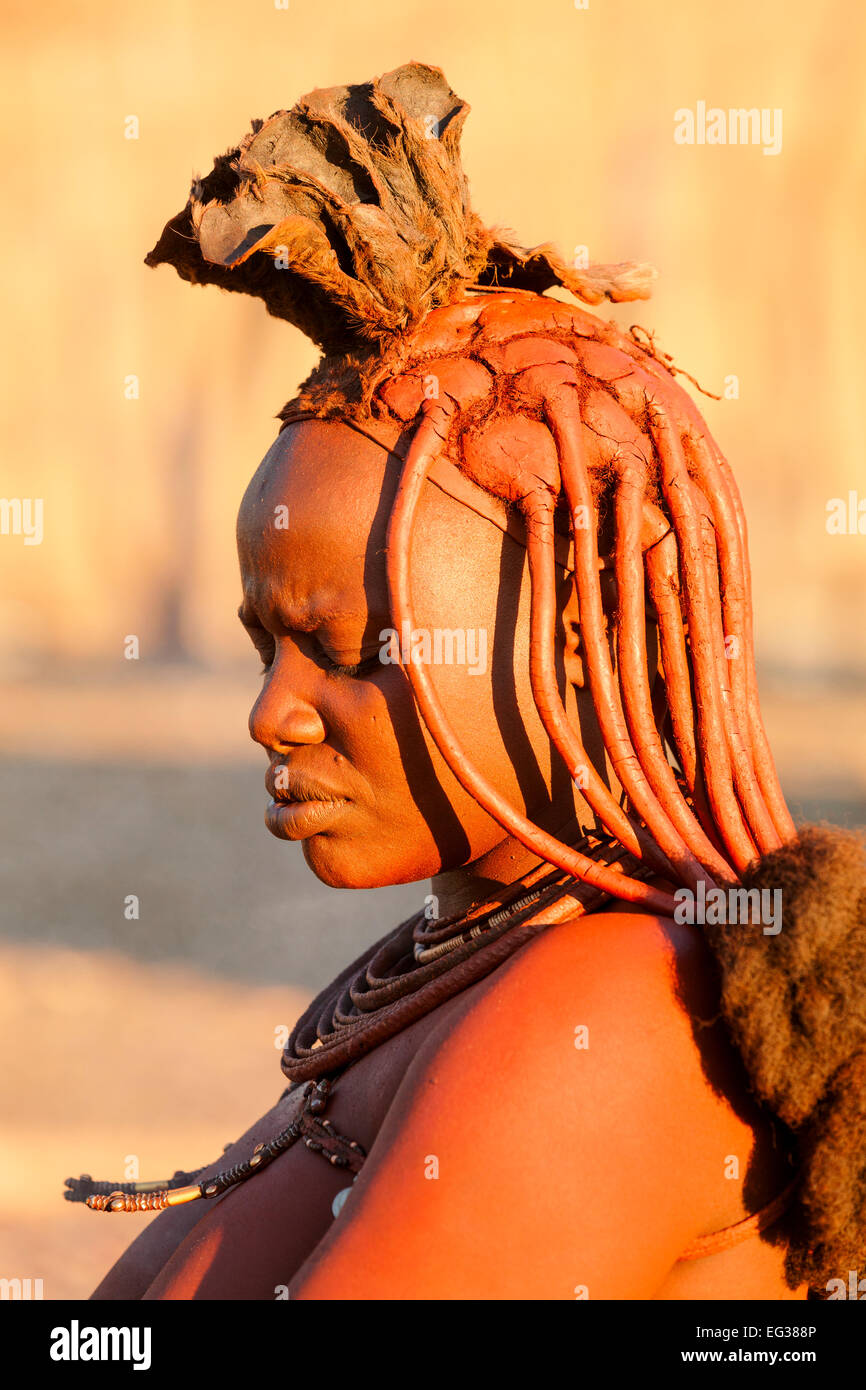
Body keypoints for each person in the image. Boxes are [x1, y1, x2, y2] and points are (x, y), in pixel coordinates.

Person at [74, 62, 865, 1301]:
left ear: (573, 635)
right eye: (263, 645)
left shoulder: (611, 1014)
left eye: (347, 652)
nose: (271, 713)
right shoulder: (461, 984)